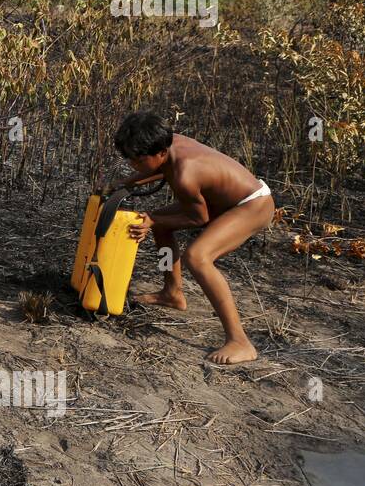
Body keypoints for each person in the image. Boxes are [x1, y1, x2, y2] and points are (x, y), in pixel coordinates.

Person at [113, 111, 275, 364]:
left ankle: (240, 342)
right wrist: (125, 183)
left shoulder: (186, 174)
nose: (134, 166)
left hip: (252, 206)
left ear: (160, 152)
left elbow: (198, 219)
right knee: (161, 226)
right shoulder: (168, 143)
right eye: (130, 160)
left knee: (198, 257)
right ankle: (172, 293)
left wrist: (154, 219)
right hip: (225, 201)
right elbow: (158, 169)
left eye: (138, 160)